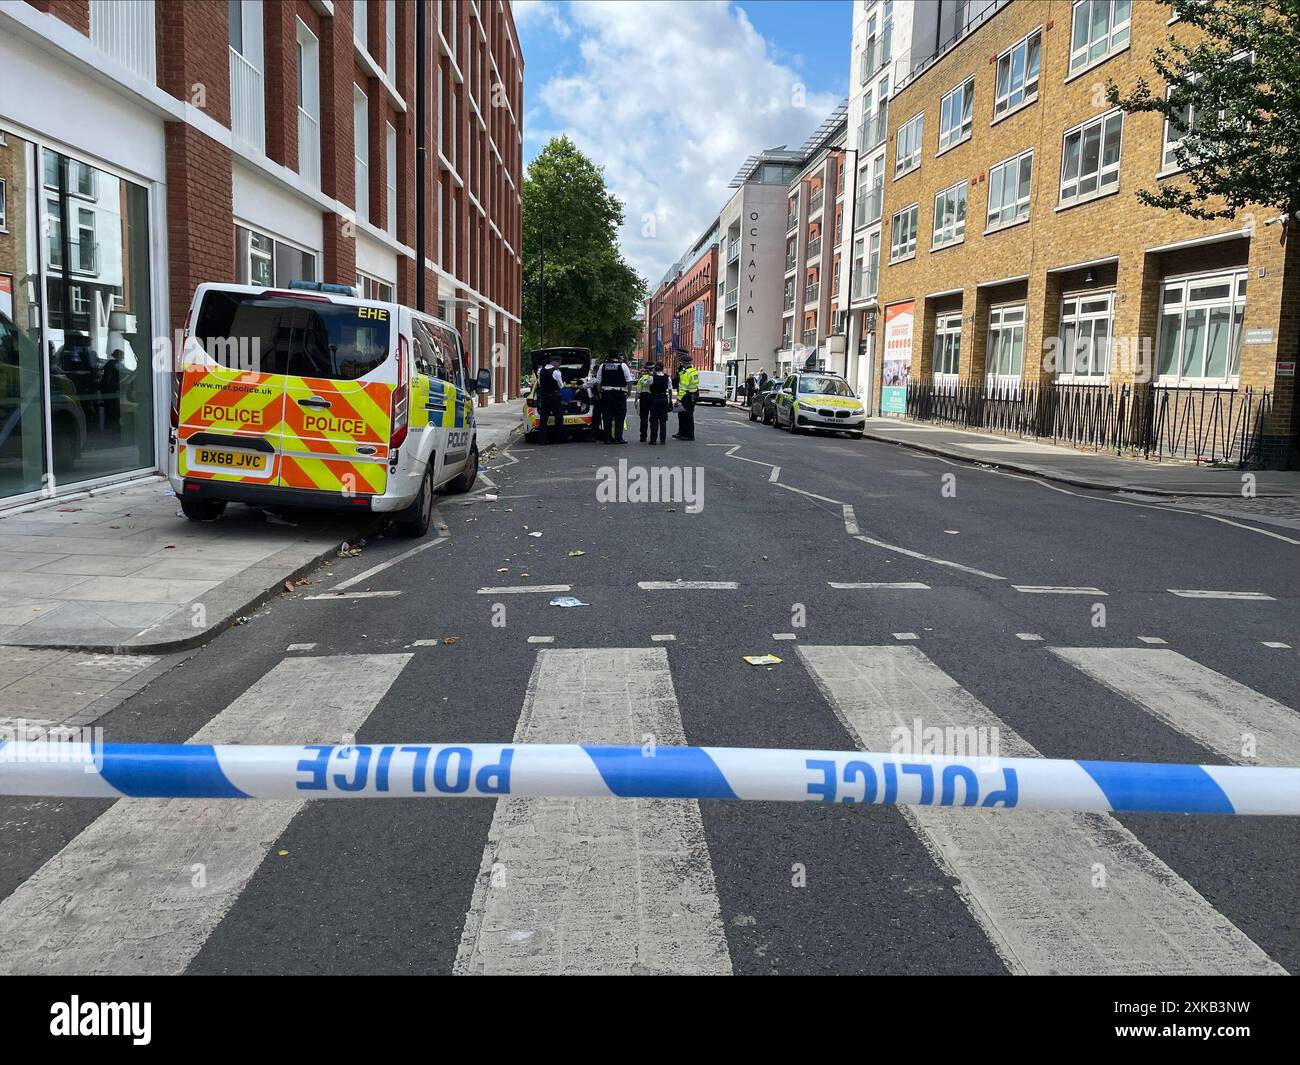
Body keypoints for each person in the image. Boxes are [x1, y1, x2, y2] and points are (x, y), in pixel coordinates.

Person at [596, 349, 633, 444]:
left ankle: (607, 438)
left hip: (606, 394)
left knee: (607, 416)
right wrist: (628, 392)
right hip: (619, 394)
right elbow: (629, 381)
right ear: (617, 356)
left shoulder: (602, 365)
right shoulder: (622, 365)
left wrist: (599, 392)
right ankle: (618, 438)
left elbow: (598, 381)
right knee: (619, 416)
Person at [536, 355, 564, 444]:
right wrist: (564, 384)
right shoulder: (556, 372)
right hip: (554, 398)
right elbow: (560, 386)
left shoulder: (541, 371)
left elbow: (540, 384)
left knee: (543, 419)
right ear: (556, 362)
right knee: (559, 418)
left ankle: (542, 440)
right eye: (559, 364)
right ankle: (559, 438)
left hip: (544, 398)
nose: (559, 366)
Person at [672, 354, 699, 441]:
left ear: (683, 363)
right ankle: (682, 433)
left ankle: (689, 435)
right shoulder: (693, 371)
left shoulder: (686, 374)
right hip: (693, 394)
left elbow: (683, 388)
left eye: (681, 363)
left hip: (686, 396)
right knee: (683, 414)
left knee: (687, 416)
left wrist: (678, 400)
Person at [647, 361, 673, 444]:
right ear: (663, 368)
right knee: (663, 420)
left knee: (654, 420)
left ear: (655, 368)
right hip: (664, 399)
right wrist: (670, 400)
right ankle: (662, 440)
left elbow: (646, 384)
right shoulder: (667, 377)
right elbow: (670, 389)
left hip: (654, 399)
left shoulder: (652, 377)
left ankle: (653, 440)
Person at [636, 364, 653, 442]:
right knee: (654, 418)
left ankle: (643, 436)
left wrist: (636, 400)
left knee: (643, 418)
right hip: (653, 397)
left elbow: (638, 392)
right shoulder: (656, 378)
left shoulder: (642, 379)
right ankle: (653, 437)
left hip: (644, 397)